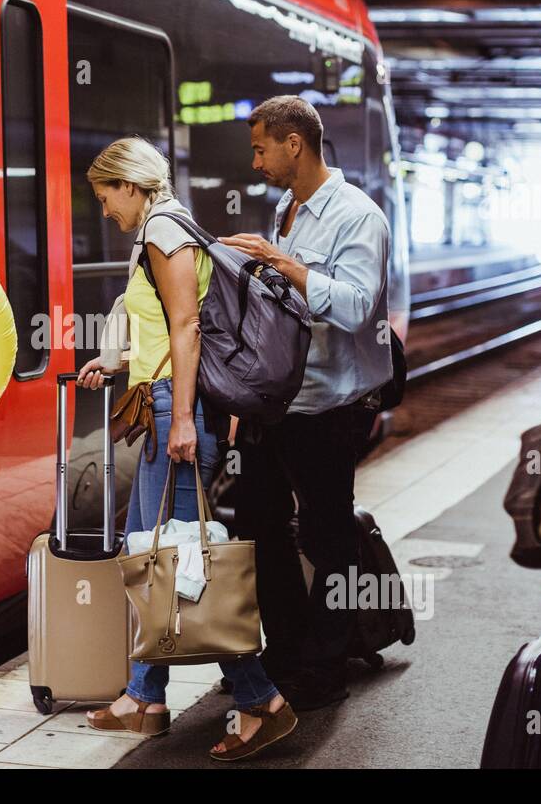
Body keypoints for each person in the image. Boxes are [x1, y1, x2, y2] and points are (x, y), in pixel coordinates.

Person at [76, 137, 296, 761]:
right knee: (151, 557)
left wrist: (182, 422)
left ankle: (262, 703)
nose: (104, 208)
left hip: (175, 407)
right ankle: (144, 700)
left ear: (132, 185)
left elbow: (186, 326)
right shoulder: (168, 227)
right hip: (164, 401)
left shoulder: (164, 231)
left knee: (181, 567)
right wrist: (115, 359)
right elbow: (159, 323)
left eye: (105, 195)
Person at [218, 95, 392, 710]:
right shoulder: (285, 209)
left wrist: (283, 265)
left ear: (295, 144)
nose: (257, 160)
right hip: (279, 401)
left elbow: (354, 307)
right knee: (259, 525)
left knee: (328, 537)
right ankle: (284, 650)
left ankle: (327, 663)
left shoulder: (356, 217)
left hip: (330, 406)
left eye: (262, 147)